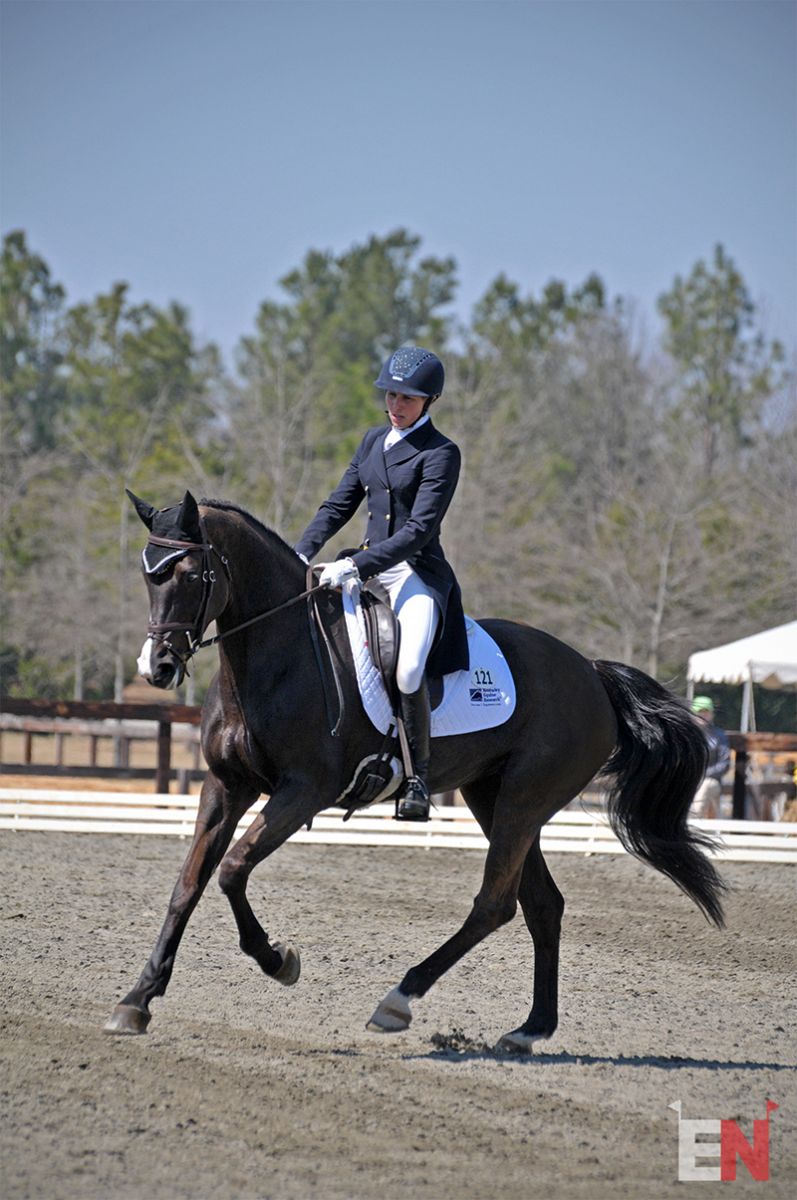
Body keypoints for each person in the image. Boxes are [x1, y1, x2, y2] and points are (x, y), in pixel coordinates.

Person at [295, 346, 468, 821]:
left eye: (407, 398)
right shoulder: (373, 441)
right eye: (391, 395)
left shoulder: (441, 453)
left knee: (409, 669)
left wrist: (357, 565)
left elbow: (419, 531)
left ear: (430, 401)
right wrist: (300, 552)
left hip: (414, 572)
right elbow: (338, 505)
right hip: (365, 568)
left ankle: (417, 779)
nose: (396, 405)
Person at [690, 696, 731, 820]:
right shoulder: (686, 734)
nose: (703, 715)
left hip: (712, 780)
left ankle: (693, 820)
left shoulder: (719, 736)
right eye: (699, 712)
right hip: (690, 779)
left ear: (712, 714)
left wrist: (703, 774)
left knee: (705, 786)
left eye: (706, 712)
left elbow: (724, 764)